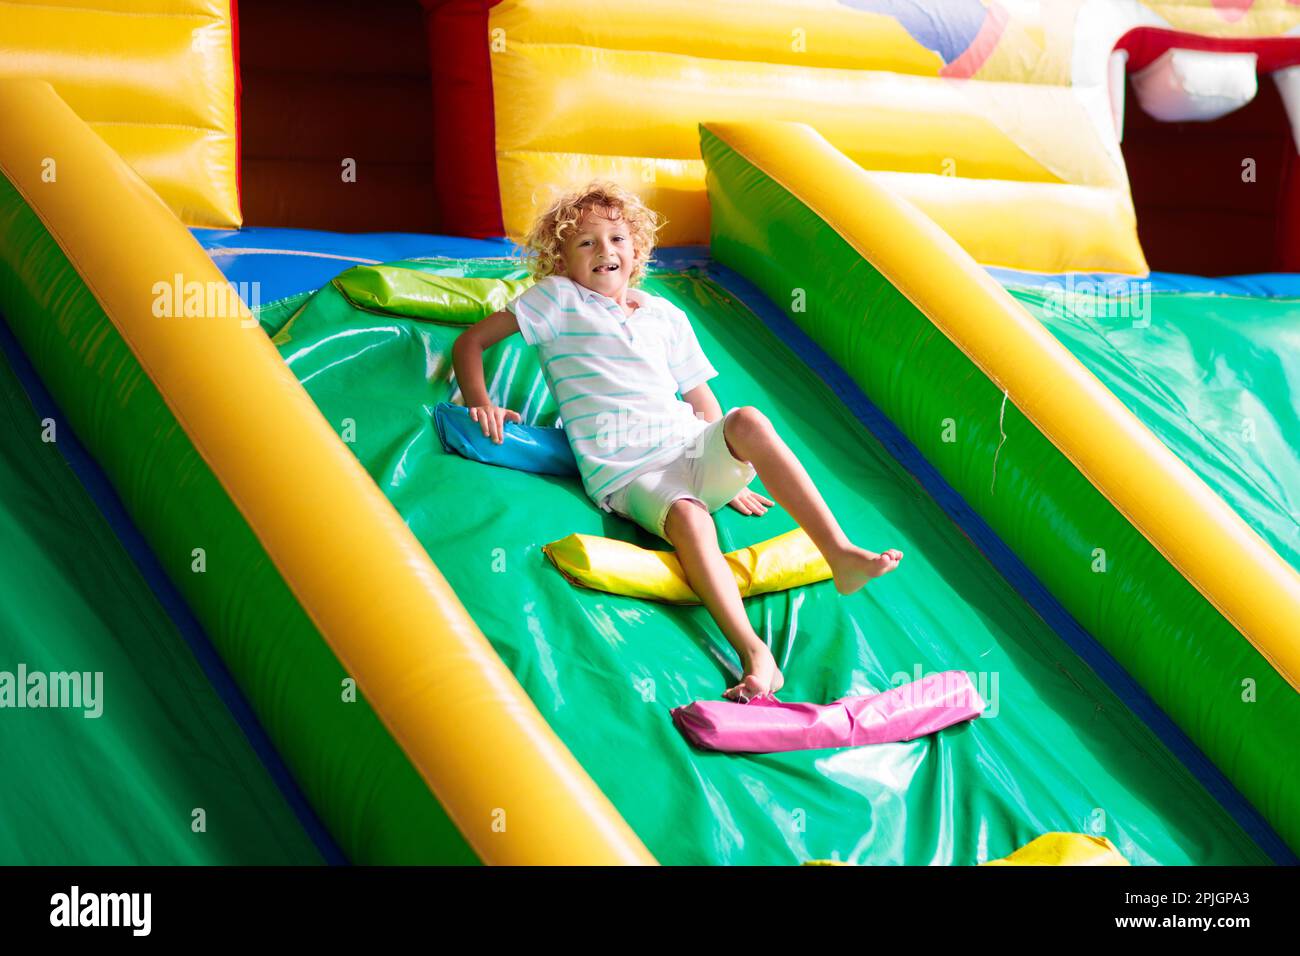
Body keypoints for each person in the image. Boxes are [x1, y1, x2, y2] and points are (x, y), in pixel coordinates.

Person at [451, 181, 903, 702]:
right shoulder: (557, 299)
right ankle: (754, 653)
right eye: (586, 243)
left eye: (617, 239)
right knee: (689, 517)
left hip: (689, 447)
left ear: (637, 248)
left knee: (748, 420)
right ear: (561, 259)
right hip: (630, 473)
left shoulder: (665, 314)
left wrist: (728, 469)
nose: (604, 251)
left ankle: (840, 553)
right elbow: (471, 342)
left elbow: (701, 400)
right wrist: (480, 401)